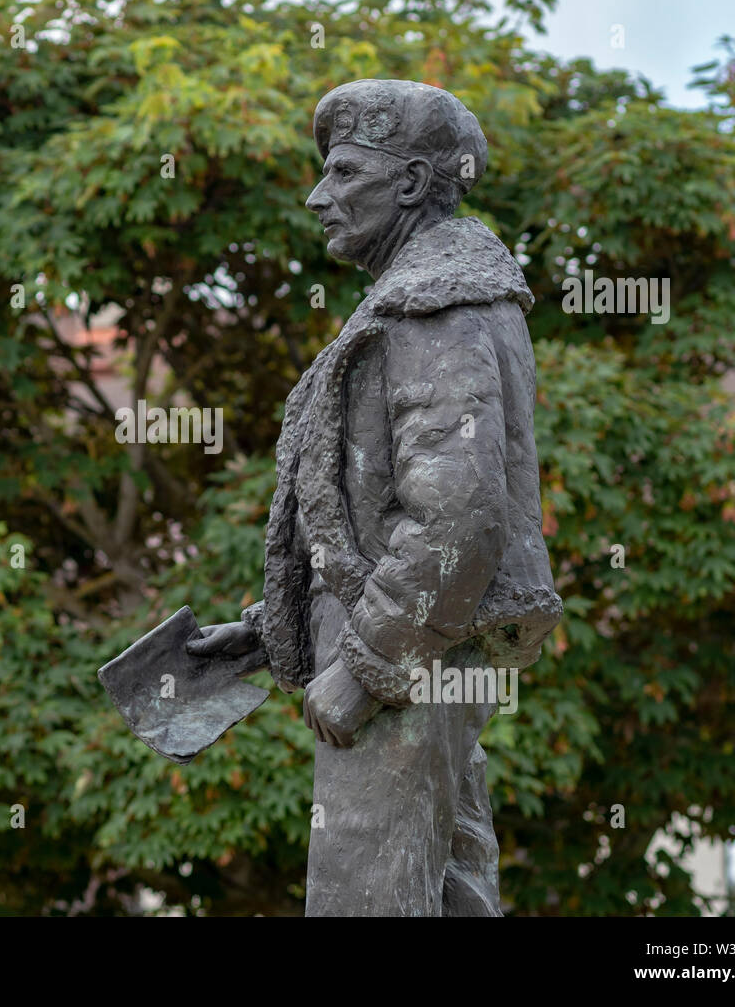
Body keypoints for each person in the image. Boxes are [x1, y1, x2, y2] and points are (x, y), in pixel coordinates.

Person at [187, 79, 562, 916]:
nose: (318, 197)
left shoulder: (435, 310)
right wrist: (267, 626)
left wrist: (368, 670)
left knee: (369, 893)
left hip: (404, 667)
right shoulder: (420, 303)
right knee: (449, 888)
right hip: (418, 653)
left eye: (343, 172)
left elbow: (459, 518)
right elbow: (375, 520)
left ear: (412, 183)